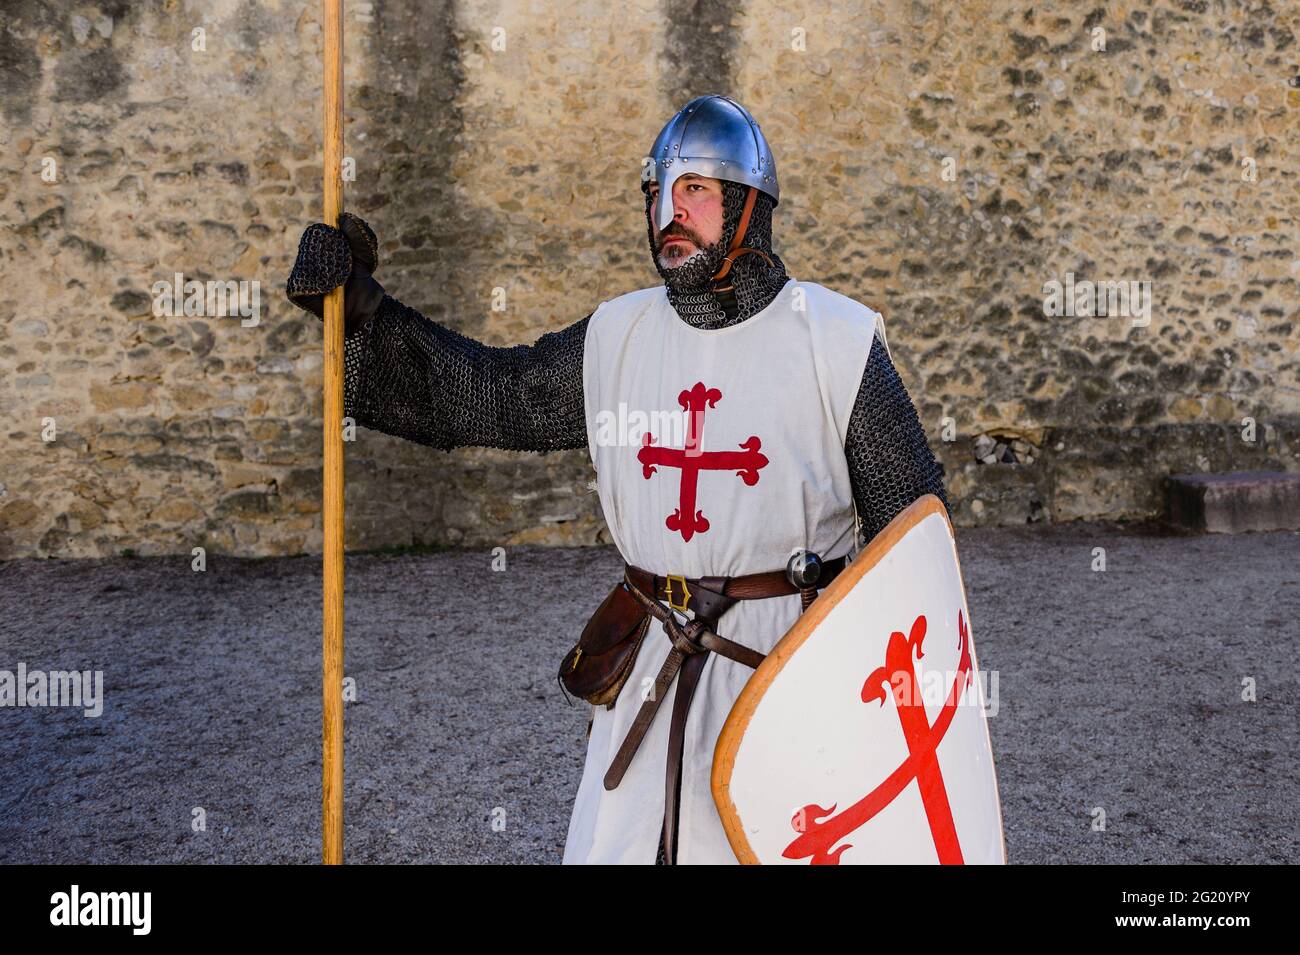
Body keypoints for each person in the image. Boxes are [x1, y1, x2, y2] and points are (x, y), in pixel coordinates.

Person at [286, 94, 950, 864]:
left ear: (747, 206)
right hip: (652, 673)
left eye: (695, 189)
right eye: (657, 192)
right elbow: (489, 396)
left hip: (786, 687)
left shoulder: (835, 341)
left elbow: (915, 549)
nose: (670, 211)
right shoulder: (619, 336)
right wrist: (361, 310)